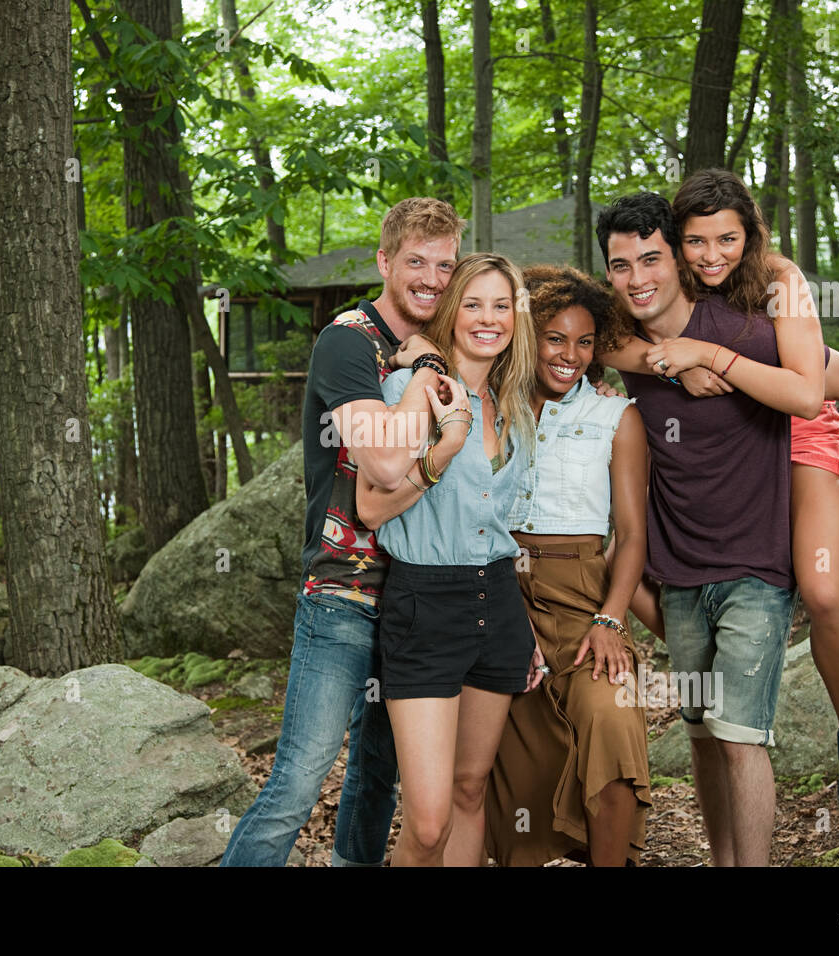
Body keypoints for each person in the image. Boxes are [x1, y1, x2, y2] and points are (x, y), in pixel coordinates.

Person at [602, 169, 839, 827]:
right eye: (696, 242)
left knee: (820, 591)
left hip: (797, 436)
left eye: (726, 240)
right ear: (676, 244)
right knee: (627, 556)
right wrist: (669, 360)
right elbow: (611, 336)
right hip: (723, 456)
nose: (711, 256)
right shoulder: (653, 301)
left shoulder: (776, 289)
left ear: (749, 235)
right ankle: (721, 685)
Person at [221, 197, 467, 867]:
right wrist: (420, 374)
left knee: (376, 779)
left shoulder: (442, 342)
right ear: (385, 260)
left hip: (417, 598)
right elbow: (384, 462)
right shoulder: (348, 341)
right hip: (343, 593)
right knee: (300, 777)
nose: (433, 279)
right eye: (416, 262)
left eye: (446, 266)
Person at [595, 191, 813, 866]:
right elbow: (555, 326)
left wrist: (704, 357)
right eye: (621, 264)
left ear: (678, 260)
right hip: (680, 573)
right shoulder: (618, 339)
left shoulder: (744, 322)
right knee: (699, 734)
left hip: (756, 566)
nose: (638, 277)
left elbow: (808, 392)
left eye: (652, 258)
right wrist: (667, 360)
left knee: (740, 734)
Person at [356, 252, 538, 866]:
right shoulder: (410, 389)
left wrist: (526, 627)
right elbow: (371, 506)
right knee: (429, 823)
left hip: (500, 606)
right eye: (473, 303)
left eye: (502, 305)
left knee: (470, 789)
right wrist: (444, 448)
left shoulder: (516, 406)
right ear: (451, 309)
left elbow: (499, 526)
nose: (488, 318)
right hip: (424, 606)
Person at [483, 264, 652, 867]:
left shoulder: (615, 416)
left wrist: (610, 621)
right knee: (492, 749)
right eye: (556, 338)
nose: (570, 355)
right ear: (530, 335)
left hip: (585, 600)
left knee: (612, 721)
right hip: (500, 594)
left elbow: (631, 536)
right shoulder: (491, 406)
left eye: (585, 342)